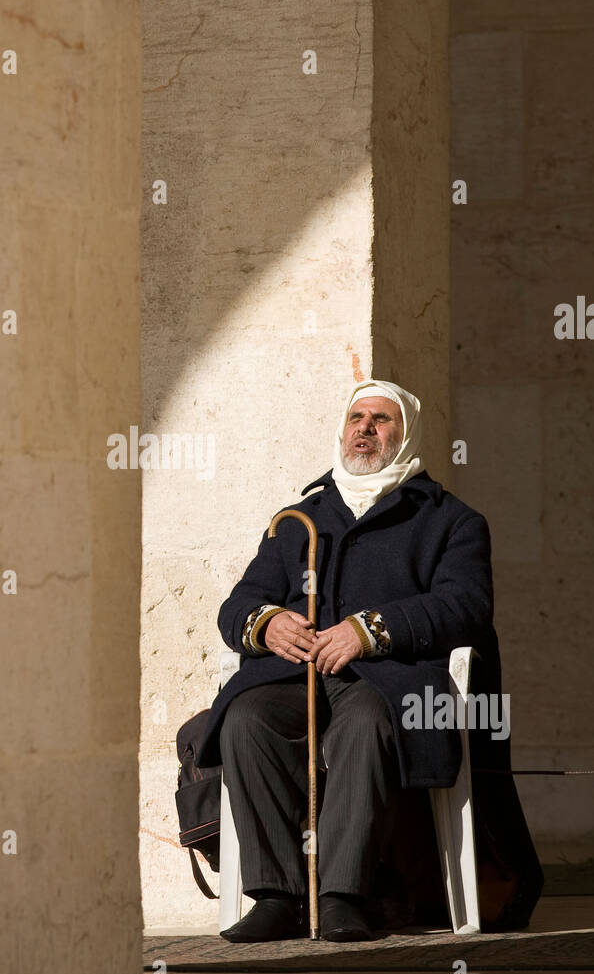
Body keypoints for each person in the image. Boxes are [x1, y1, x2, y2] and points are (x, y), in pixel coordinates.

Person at [188, 378, 541, 943]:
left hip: (389, 681)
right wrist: (266, 623)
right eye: (357, 417)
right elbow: (238, 604)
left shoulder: (449, 519)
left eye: (382, 419)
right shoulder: (299, 518)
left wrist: (369, 631)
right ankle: (276, 895)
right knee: (247, 719)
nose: (366, 429)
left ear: (406, 435)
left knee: (365, 725)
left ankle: (343, 895)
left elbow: (466, 607)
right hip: (296, 676)